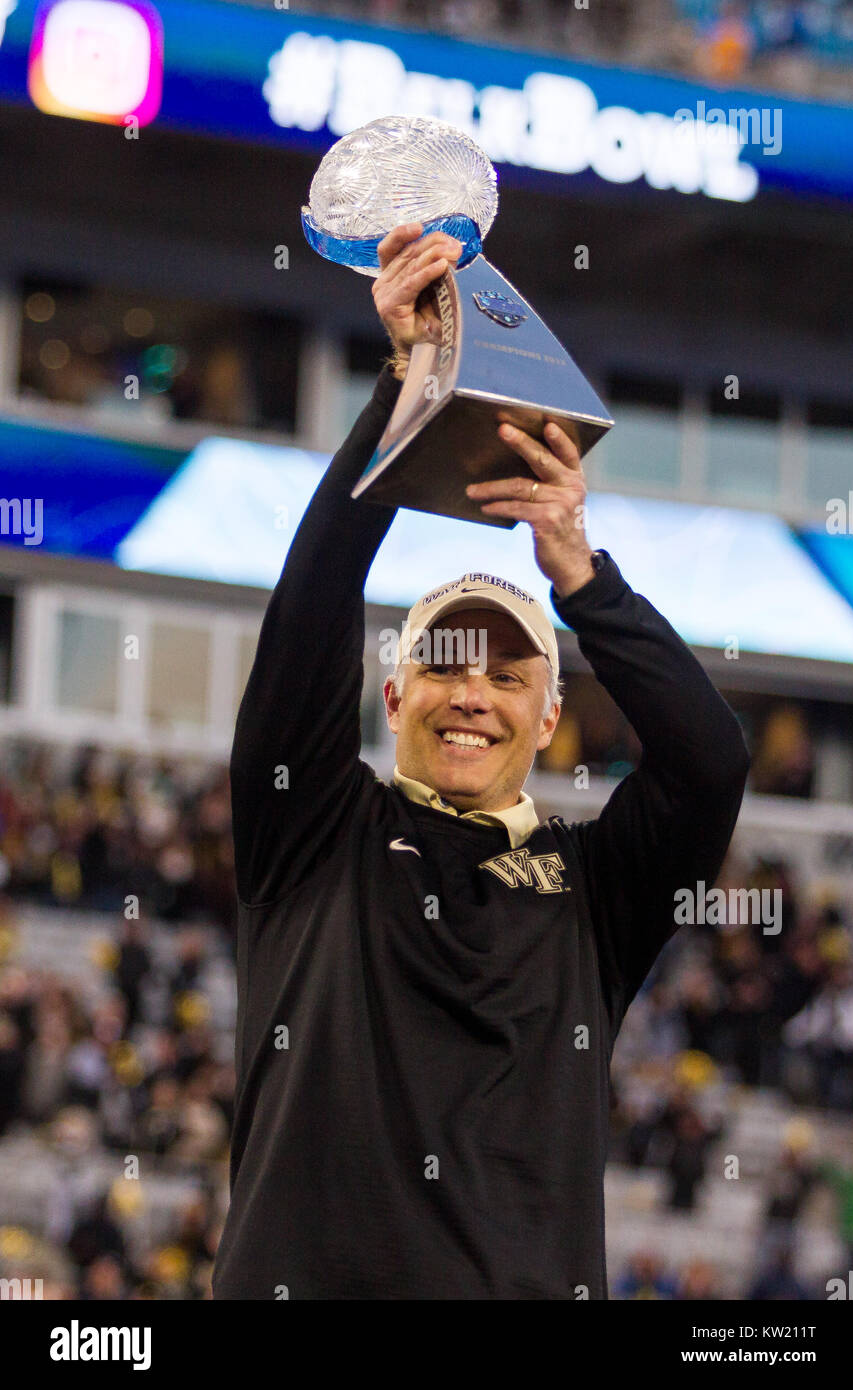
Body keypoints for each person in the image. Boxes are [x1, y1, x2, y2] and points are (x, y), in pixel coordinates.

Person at [212, 224, 750, 1300]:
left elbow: (707, 761)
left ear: (548, 717)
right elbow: (314, 598)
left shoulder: (597, 891)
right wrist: (404, 387)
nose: (471, 693)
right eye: (447, 664)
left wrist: (583, 580)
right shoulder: (313, 832)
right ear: (393, 692)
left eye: (508, 677)